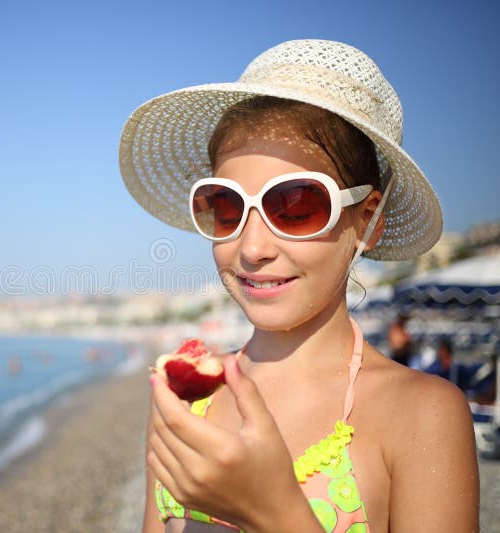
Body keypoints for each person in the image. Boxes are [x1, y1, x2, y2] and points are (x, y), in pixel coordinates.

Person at [118, 40, 479, 532]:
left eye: (295, 206)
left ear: (367, 221)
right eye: (227, 207)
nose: (252, 248)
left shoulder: (423, 413)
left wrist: (274, 510)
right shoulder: (185, 401)